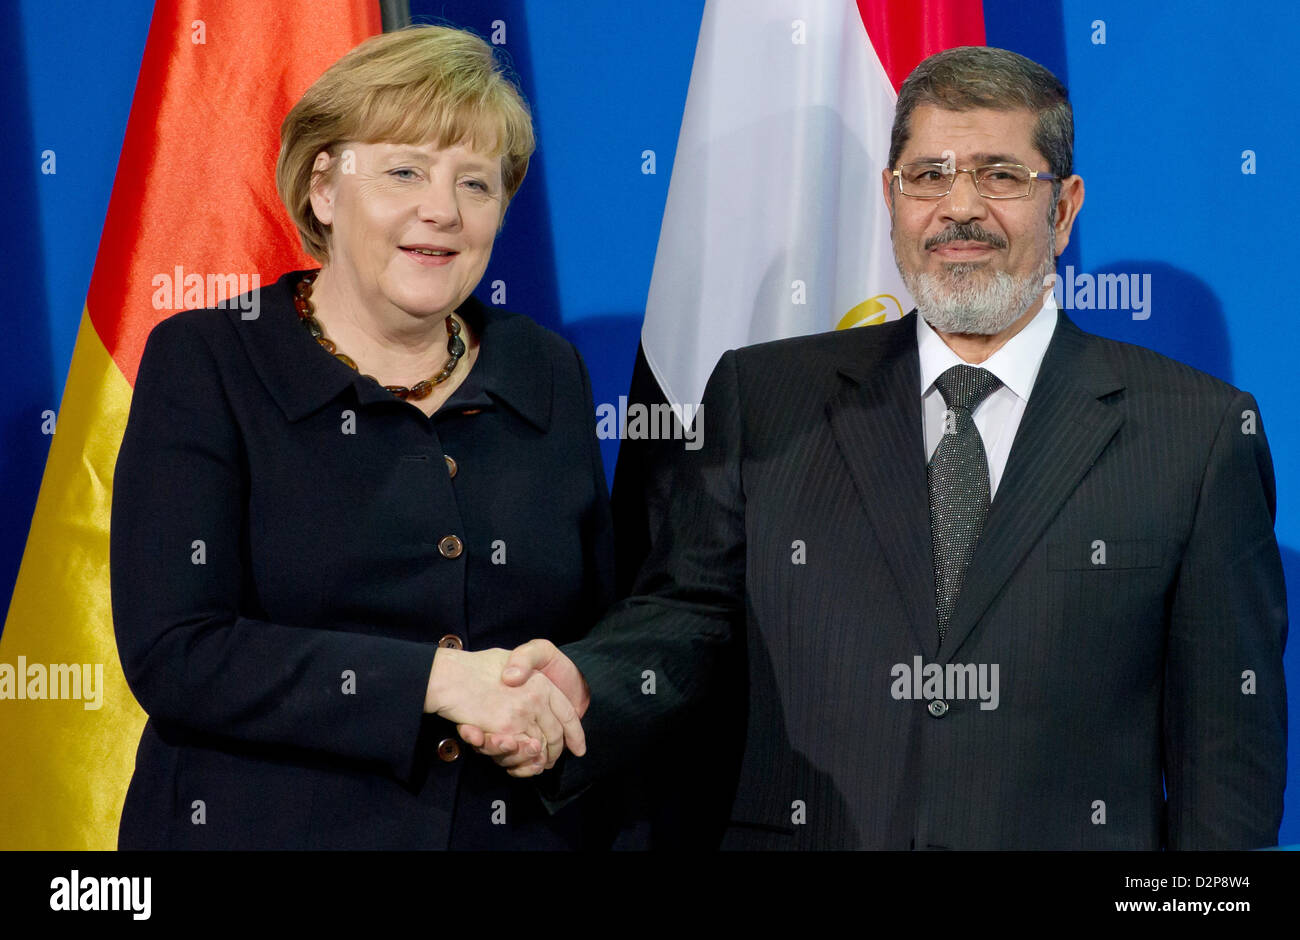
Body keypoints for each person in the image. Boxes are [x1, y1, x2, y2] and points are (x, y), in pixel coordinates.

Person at [466, 45, 1288, 850]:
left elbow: (1228, 755)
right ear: (890, 199)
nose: (959, 207)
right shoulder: (766, 397)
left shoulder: (1197, 432)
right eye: (928, 176)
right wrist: (588, 686)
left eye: (1000, 175)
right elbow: (689, 621)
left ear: (1065, 207)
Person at [110, 25, 618, 849]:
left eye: (476, 184)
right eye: (405, 171)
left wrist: (557, 701)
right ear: (323, 189)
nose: (441, 211)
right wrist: (440, 681)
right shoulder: (210, 359)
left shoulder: (546, 369)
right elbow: (178, 651)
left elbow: (593, 624)